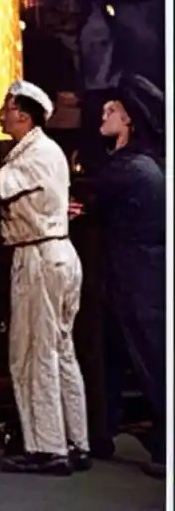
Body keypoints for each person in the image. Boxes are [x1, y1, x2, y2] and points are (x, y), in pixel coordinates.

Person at [0, 81, 90, 476]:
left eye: (7, 106)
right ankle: (76, 441)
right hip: (57, 254)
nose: (1, 113)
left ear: (23, 114)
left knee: (33, 353)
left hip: (39, 257)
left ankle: (48, 449)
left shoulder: (34, 154)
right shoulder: (46, 149)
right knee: (61, 350)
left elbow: (0, 187)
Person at [68, 73, 166, 477]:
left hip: (137, 281)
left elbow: (90, 192)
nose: (102, 115)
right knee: (113, 358)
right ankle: (102, 433)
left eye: (112, 111)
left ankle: (164, 447)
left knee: (150, 363)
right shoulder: (141, 166)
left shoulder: (130, 169)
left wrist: (81, 202)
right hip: (129, 279)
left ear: (129, 121)